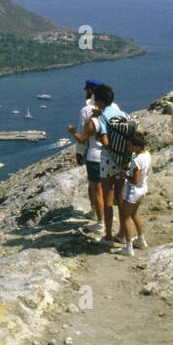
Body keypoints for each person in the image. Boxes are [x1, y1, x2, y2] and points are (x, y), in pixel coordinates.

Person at [93, 84, 126, 242]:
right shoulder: (123, 114)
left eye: (95, 100)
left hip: (108, 160)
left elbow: (105, 141)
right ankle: (123, 232)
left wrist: (99, 137)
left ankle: (108, 234)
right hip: (123, 159)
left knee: (107, 197)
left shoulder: (103, 117)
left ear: (100, 101)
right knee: (120, 197)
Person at [68, 80, 102, 228]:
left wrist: (79, 153)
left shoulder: (86, 110)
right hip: (109, 153)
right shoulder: (114, 107)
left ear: (91, 91)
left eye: (87, 90)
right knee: (105, 186)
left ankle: (96, 215)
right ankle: (103, 214)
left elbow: (82, 135)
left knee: (94, 186)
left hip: (93, 153)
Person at [117, 130, 150, 256]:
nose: (129, 148)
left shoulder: (136, 160)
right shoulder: (146, 155)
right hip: (143, 189)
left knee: (125, 217)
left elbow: (134, 180)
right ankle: (141, 240)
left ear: (136, 146)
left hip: (133, 191)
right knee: (134, 213)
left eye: (130, 146)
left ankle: (128, 248)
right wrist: (129, 168)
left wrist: (124, 175)